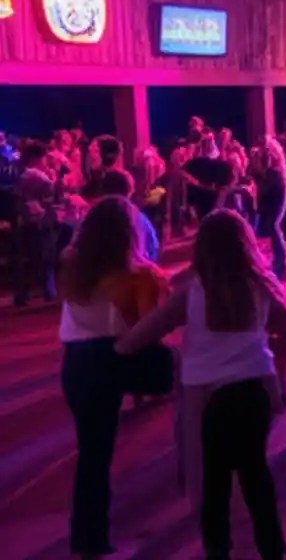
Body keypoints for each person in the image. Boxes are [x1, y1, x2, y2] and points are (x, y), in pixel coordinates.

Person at [116, 210, 286, 560]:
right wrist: (265, 347)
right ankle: (273, 550)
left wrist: (117, 347)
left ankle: (218, 552)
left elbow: (145, 333)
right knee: (256, 474)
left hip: (205, 395)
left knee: (212, 483)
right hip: (256, 387)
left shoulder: (191, 292)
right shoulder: (261, 288)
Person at [58, 196, 167, 557]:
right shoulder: (139, 276)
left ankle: (86, 537)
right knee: (187, 370)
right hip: (113, 359)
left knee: (92, 452)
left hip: (74, 363)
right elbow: (148, 331)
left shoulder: (72, 267)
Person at [13, 140, 59, 306]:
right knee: (47, 259)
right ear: (37, 159)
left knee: (27, 261)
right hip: (42, 224)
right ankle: (49, 290)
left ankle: (22, 295)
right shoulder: (41, 179)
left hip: (25, 224)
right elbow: (50, 202)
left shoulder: (20, 178)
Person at [255, 140, 286, 279]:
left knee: (275, 229)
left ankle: (281, 261)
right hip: (275, 202)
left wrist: (259, 184)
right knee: (274, 230)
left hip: (275, 203)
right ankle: (280, 260)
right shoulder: (276, 169)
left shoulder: (274, 171)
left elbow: (268, 188)